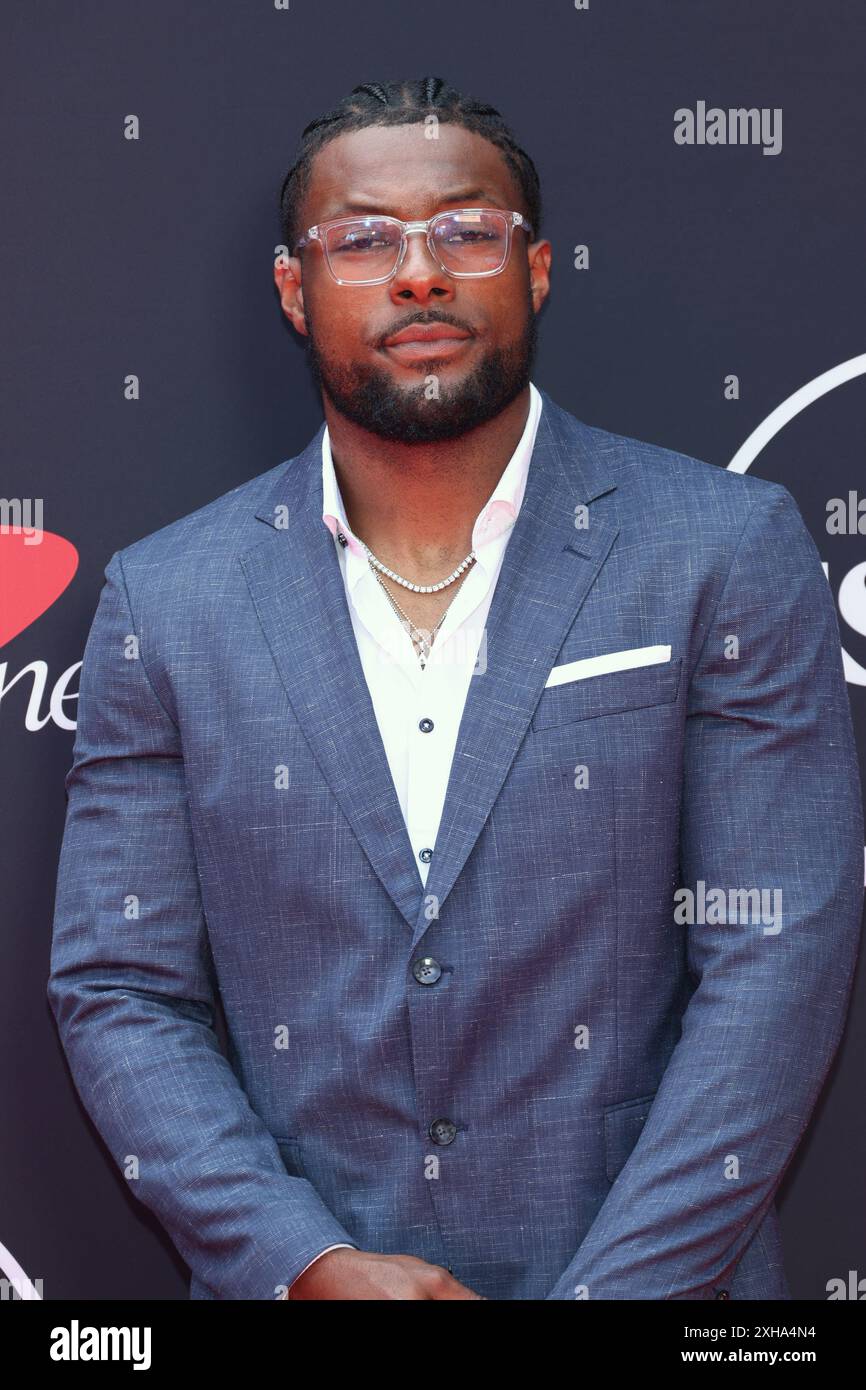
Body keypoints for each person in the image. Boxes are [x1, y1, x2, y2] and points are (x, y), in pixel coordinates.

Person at [48, 76, 864, 1301]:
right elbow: (122, 986)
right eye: (363, 238)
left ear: (533, 269)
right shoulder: (168, 599)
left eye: (464, 232)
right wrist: (303, 1262)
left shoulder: (721, 547)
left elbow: (776, 956)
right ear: (293, 288)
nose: (417, 273)